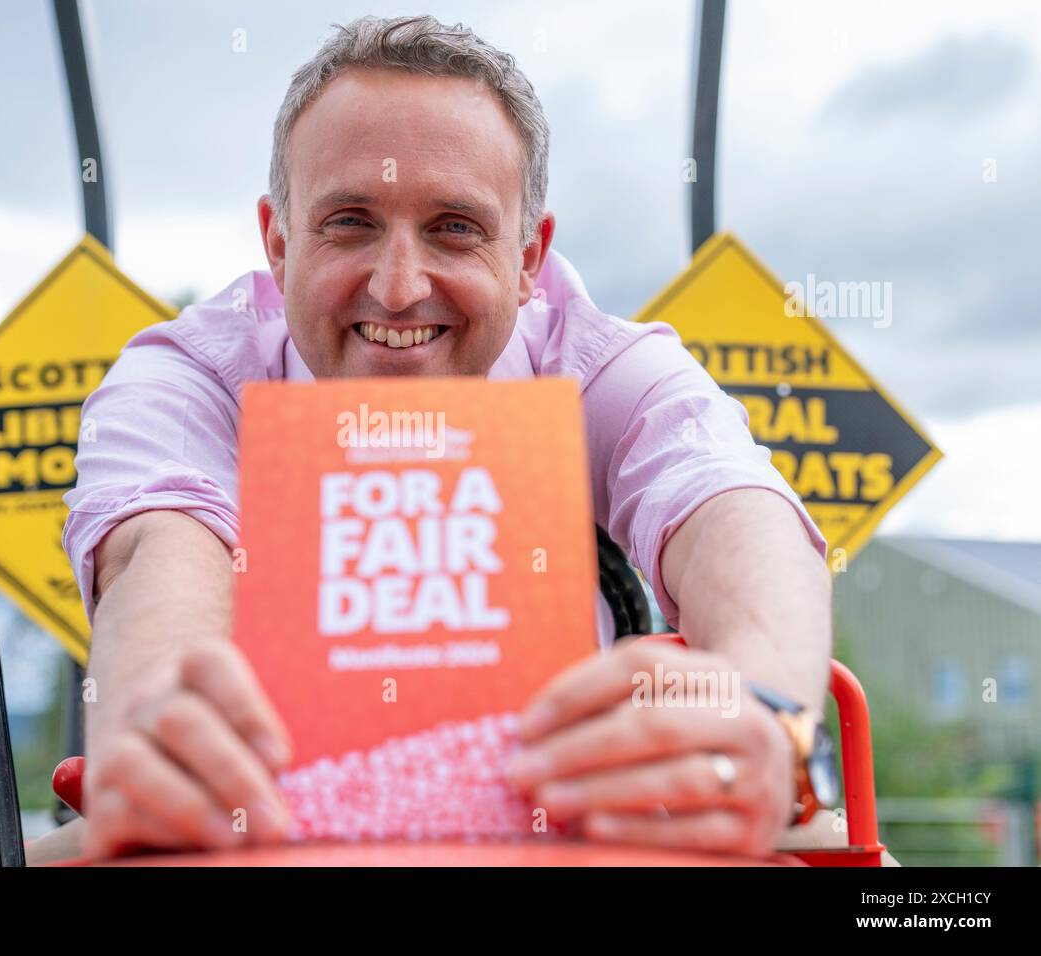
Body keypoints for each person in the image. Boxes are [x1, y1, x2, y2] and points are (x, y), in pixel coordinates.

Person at [57, 14, 835, 862]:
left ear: (530, 255)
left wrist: (764, 711)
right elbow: (160, 545)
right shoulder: (189, 375)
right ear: (278, 244)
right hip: (251, 829)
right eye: (350, 221)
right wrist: (162, 716)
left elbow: (730, 498)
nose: (398, 288)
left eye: (454, 228)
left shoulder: (592, 359)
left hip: (567, 820)